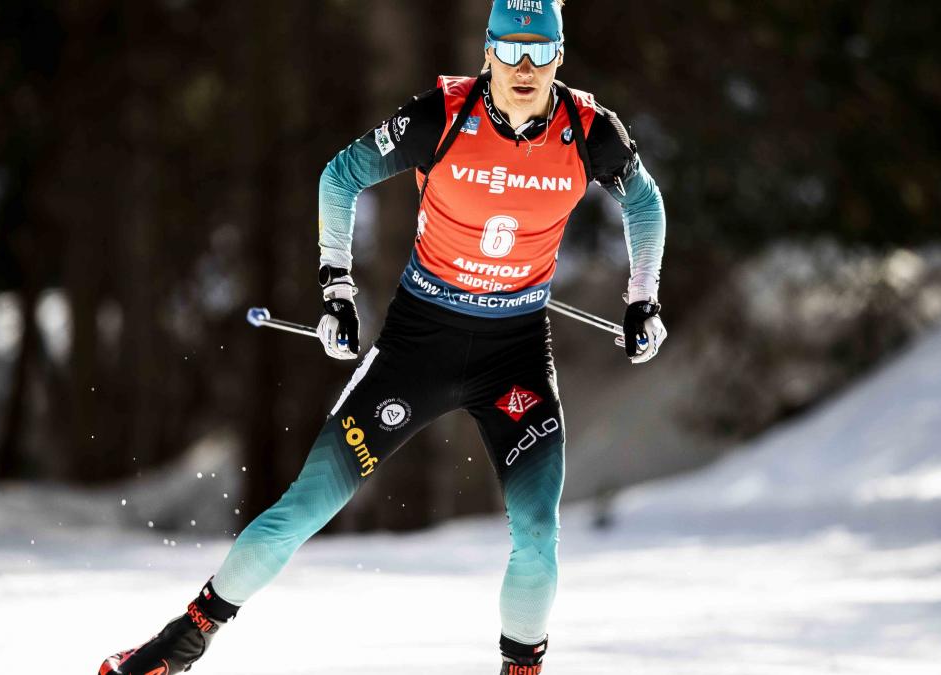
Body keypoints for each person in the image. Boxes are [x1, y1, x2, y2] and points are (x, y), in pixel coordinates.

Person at [99, 1, 665, 673]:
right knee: (304, 508)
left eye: (539, 52)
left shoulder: (589, 130)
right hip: (418, 346)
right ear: (487, 53)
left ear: (558, 57)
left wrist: (643, 299)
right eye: (509, 49)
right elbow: (340, 176)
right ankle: (184, 640)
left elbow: (644, 201)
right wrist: (336, 290)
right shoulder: (442, 117)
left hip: (513, 355)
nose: (523, 66)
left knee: (539, 535)